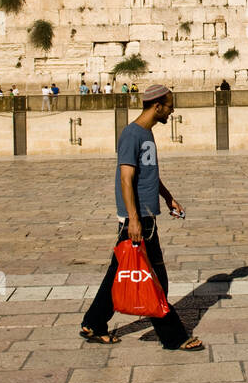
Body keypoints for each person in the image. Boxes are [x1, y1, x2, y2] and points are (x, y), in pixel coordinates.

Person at [80, 84, 203, 351]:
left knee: (119, 273)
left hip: (145, 216)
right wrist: (133, 219)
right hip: (138, 221)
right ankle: (174, 337)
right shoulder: (131, 135)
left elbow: (149, 174)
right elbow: (126, 178)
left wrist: (168, 197)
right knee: (155, 280)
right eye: (169, 105)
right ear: (157, 106)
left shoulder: (146, 134)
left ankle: (93, 322)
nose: (172, 110)